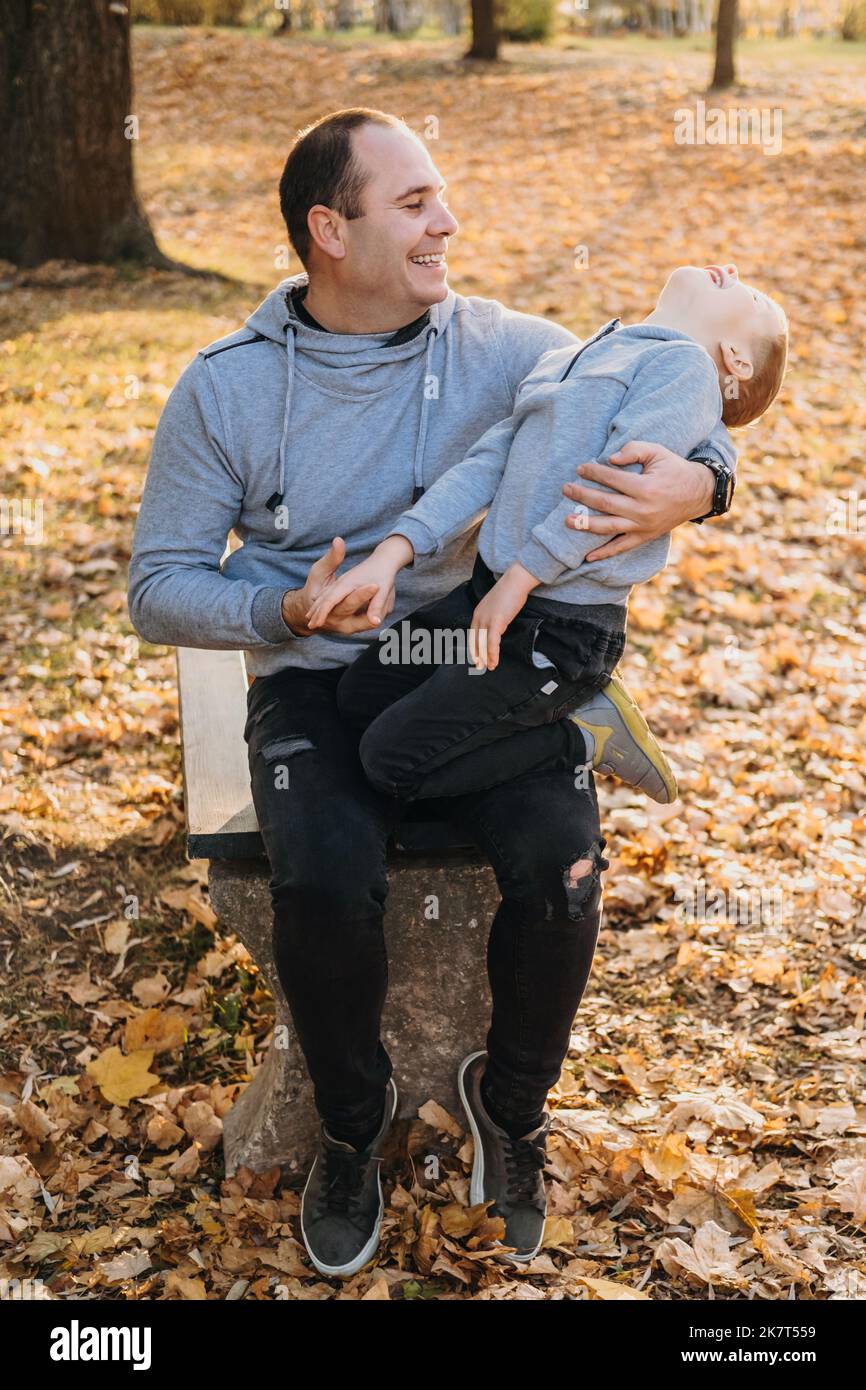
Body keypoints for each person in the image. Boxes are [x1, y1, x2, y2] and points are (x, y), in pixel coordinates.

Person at [127, 108, 738, 1278]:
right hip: (316, 684)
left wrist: (703, 491)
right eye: (412, 205)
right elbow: (155, 587)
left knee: (563, 877)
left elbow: (675, 391)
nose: (446, 222)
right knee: (322, 883)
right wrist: (280, 612)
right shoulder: (226, 389)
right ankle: (351, 1129)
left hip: (478, 661)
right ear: (328, 230)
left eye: (440, 197)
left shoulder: (511, 346)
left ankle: (509, 1108)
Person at [306, 263, 787, 818]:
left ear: (736, 360)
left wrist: (521, 577)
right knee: (360, 696)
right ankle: (516, 722)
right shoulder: (579, 354)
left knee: (391, 764)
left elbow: (608, 496)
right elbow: (487, 463)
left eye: (751, 293)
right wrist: (394, 552)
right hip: (489, 595)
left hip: (557, 629)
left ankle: (582, 733)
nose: (728, 270)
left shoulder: (683, 370)